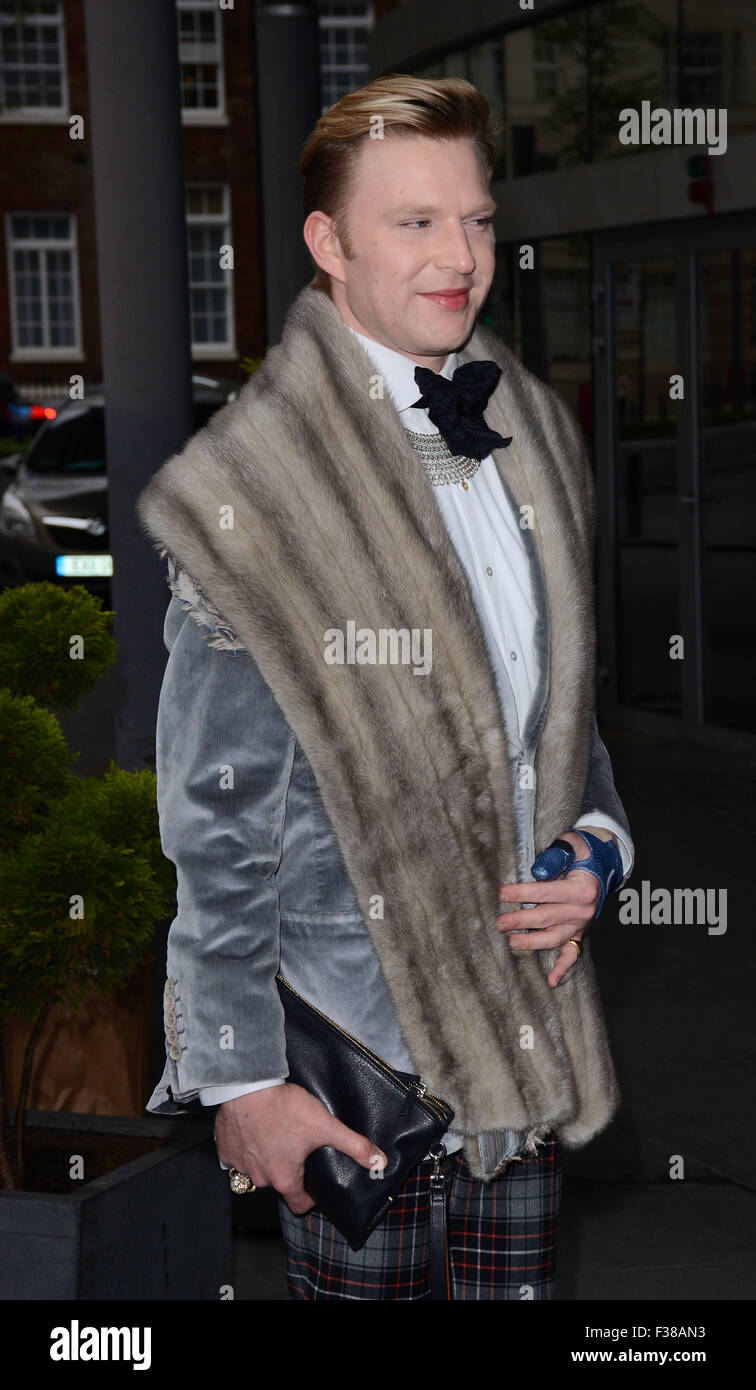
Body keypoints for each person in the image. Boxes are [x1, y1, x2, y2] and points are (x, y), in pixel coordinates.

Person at [135, 74, 634, 1301]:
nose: (460, 256)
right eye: (414, 222)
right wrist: (247, 1086)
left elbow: (560, 719)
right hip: (361, 1076)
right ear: (330, 243)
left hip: (525, 1041)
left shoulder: (527, 429)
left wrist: (597, 852)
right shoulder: (257, 492)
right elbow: (216, 829)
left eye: (475, 219)